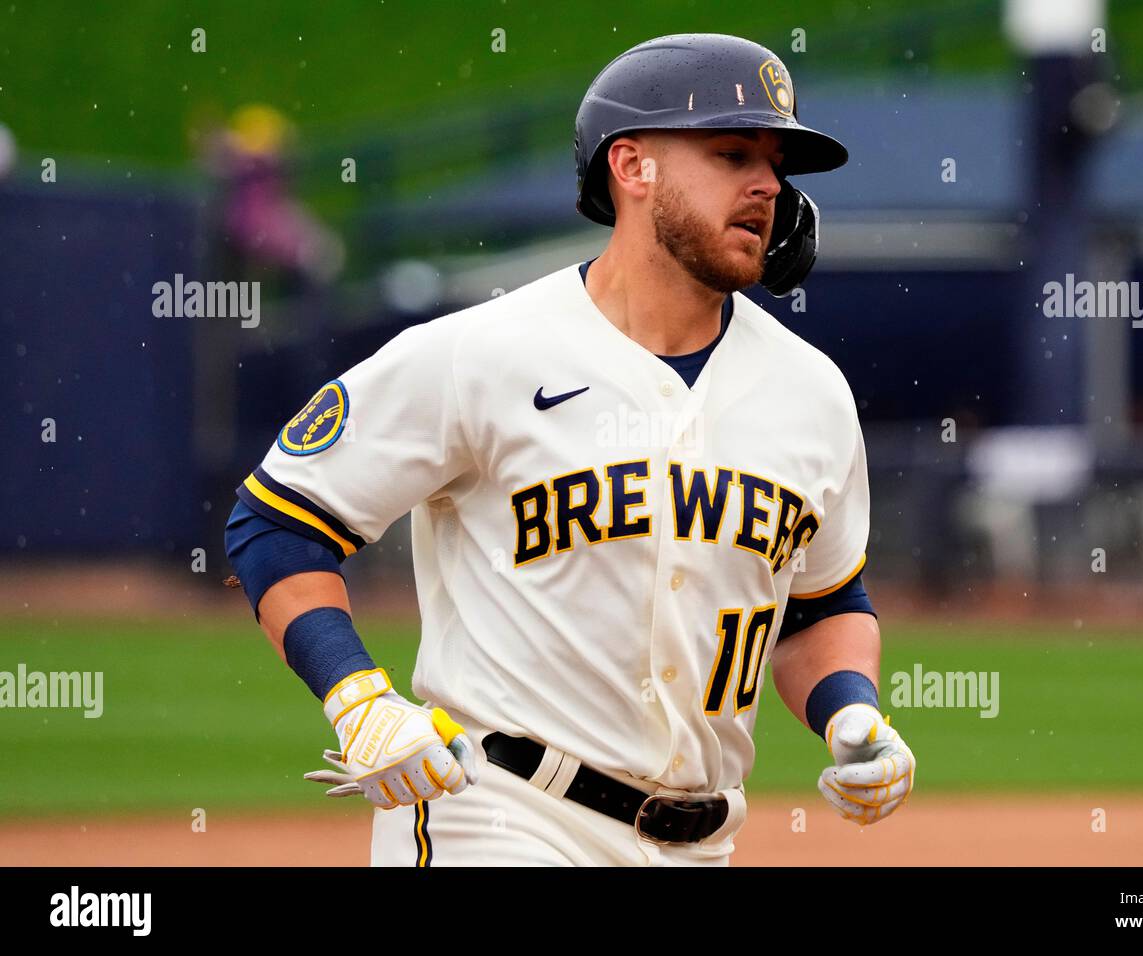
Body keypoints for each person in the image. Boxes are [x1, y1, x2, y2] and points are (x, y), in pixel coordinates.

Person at [224, 32, 915, 867]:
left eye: (776, 162)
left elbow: (820, 606)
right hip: (502, 817)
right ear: (632, 167)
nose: (768, 184)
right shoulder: (482, 353)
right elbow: (277, 520)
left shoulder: (811, 393)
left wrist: (852, 711)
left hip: (703, 844)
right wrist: (359, 699)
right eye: (732, 152)